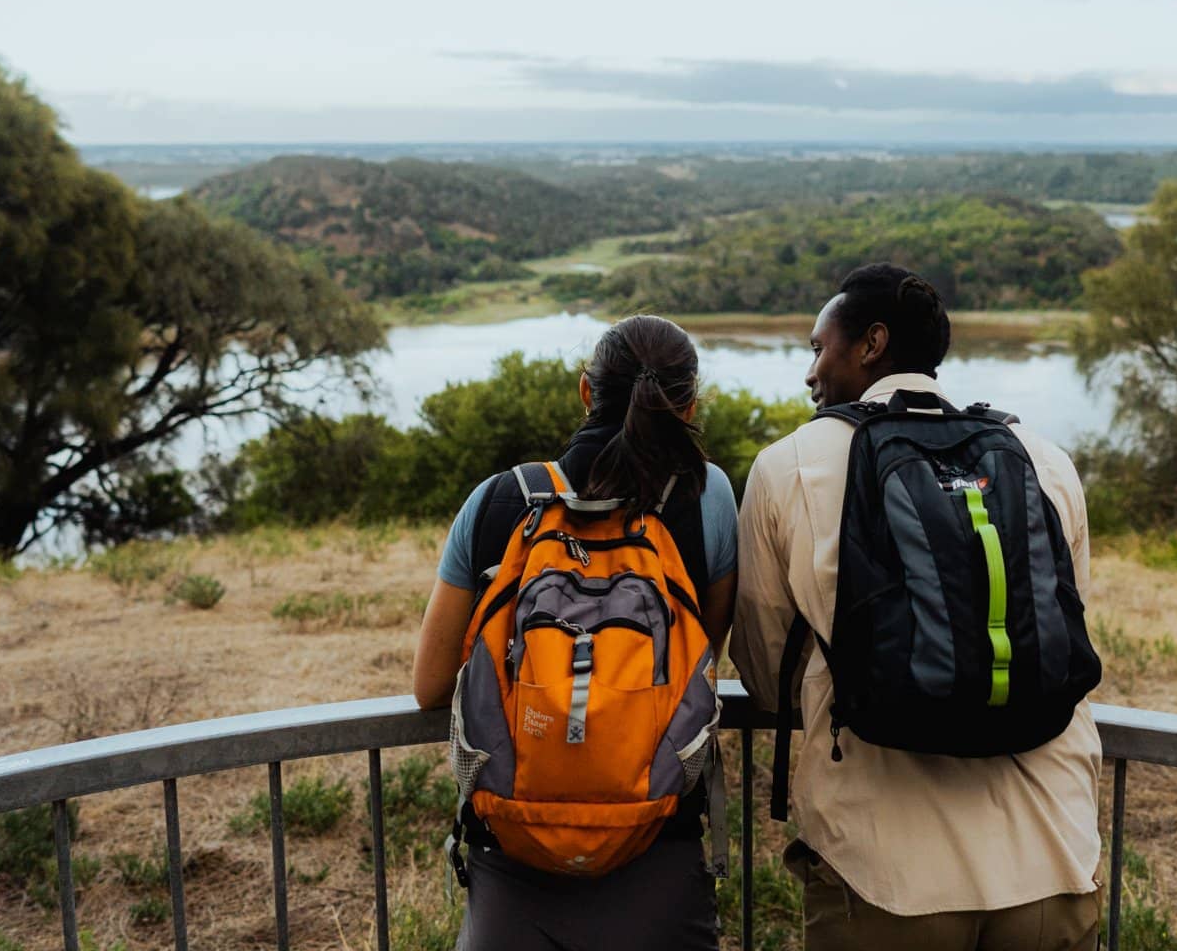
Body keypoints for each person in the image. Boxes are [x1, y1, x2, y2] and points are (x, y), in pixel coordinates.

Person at [732, 264, 1103, 951]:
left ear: (871, 343)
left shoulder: (788, 467)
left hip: (883, 873)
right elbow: (1063, 634)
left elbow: (764, 667)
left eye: (819, 348)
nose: (811, 372)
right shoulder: (1042, 459)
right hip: (1051, 855)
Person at [410, 315, 738, 951]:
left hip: (513, 863)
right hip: (659, 843)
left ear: (586, 391)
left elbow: (430, 686)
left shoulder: (500, 500)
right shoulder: (709, 495)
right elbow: (702, 660)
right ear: (690, 406)